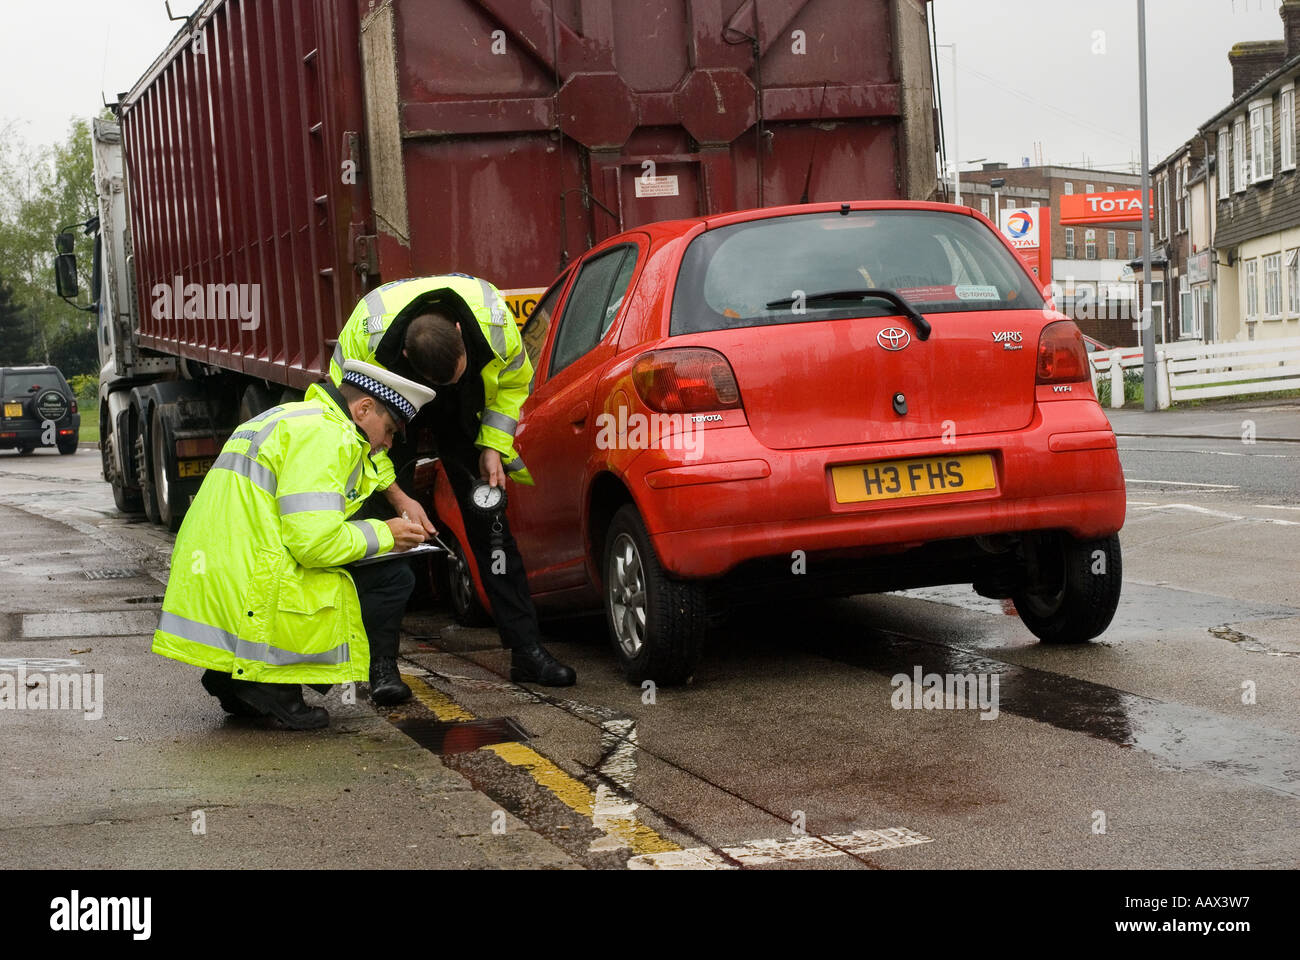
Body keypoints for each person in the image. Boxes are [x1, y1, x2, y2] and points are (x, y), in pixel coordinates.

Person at [151, 360, 435, 729]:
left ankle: (234, 677)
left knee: (361, 567)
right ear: (364, 408)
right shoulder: (327, 437)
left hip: (221, 571)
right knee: (392, 577)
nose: (386, 444)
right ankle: (276, 684)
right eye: (390, 431)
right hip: (252, 579)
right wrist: (387, 534)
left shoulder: (297, 416)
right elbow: (314, 545)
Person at [330, 274, 576, 687]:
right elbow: (351, 427)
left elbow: (513, 383)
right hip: (390, 417)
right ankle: (381, 667)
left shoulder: (493, 320)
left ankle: (526, 651)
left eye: (460, 372)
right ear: (406, 355)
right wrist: (396, 496)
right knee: (387, 536)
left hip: (464, 415)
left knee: (493, 524)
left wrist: (493, 446)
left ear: (462, 334)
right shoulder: (366, 338)